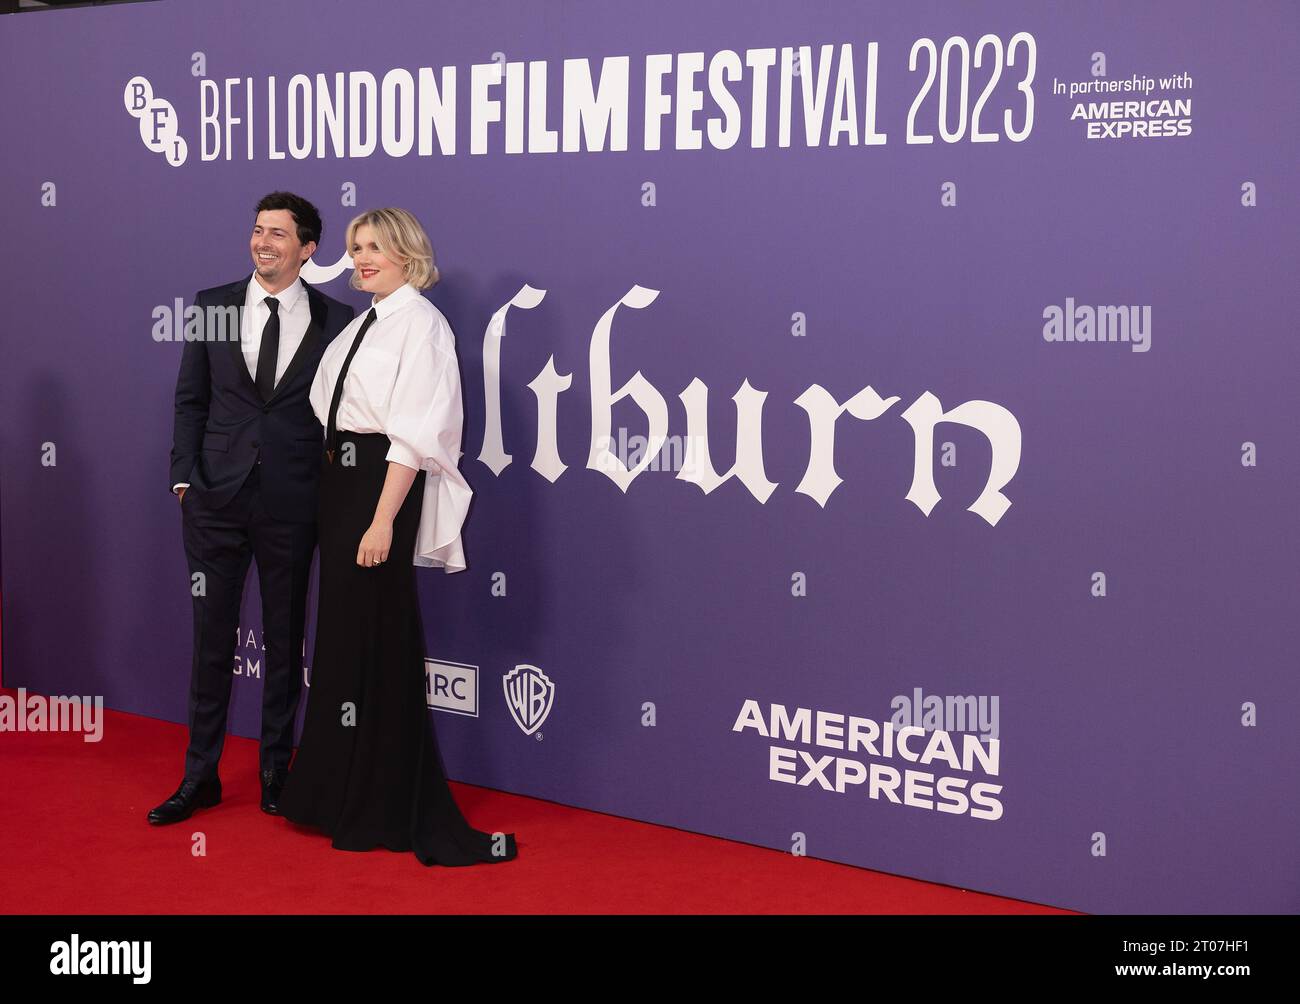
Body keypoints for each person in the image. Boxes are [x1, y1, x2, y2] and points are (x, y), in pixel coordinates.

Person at [277, 207, 517, 866]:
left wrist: (382, 519)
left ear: (408, 253)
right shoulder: (367, 323)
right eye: (356, 247)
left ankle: (383, 804)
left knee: (380, 638)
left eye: (375, 246)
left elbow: (413, 436)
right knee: (346, 641)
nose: (361, 258)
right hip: (344, 486)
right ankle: (334, 793)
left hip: (379, 490)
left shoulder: (423, 327)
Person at [149, 192, 355, 825]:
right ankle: (199, 775)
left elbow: (340, 416)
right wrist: (185, 477)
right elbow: (191, 399)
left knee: (287, 636)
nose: (263, 242)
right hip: (214, 499)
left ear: (308, 248)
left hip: (293, 504)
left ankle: (274, 771)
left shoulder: (335, 319)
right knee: (210, 641)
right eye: (258, 231)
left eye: (278, 234)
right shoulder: (212, 306)